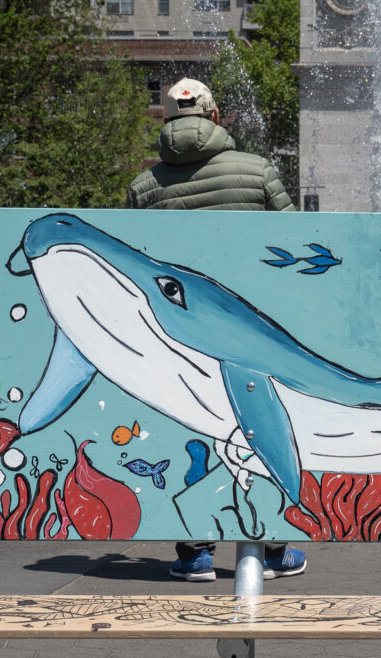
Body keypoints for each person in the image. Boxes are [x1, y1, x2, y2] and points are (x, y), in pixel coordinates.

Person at [127, 77, 305, 583]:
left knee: (194, 430)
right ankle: (271, 550)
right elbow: (294, 246)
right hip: (251, 334)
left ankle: (196, 553)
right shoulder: (257, 172)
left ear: (166, 120)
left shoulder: (145, 188)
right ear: (215, 116)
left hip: (179, 340)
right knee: (262, 426)